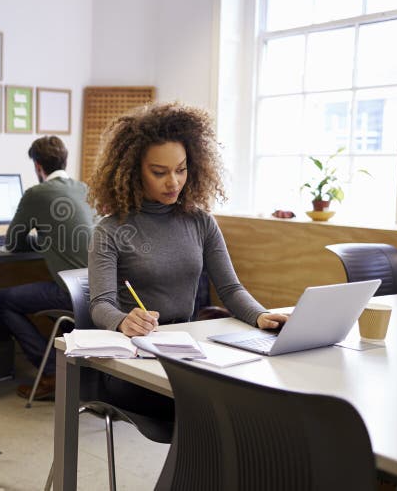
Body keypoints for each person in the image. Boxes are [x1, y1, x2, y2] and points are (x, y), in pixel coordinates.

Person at [87, 102, 288, 418]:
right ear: (132, 171)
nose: (174, 183)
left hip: (185, 349)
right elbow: (101, 305)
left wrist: (260, 316)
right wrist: (124, 320)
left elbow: (231, 289)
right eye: (159, 172)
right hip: (134, 360)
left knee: (252, 394)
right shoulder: (110, 229)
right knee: (224, 406)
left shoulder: (201, 222)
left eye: (181, 170)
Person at [0, 135, 95, 400]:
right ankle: (65, 369)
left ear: (38, 166)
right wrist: (47, 238)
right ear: (65, 160)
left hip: (71, 292)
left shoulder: (36, 193)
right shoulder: (82, 188)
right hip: (102, 290)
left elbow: (13, 242)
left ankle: (51, 372)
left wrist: (39, 239)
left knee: (1, 302)